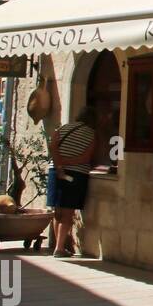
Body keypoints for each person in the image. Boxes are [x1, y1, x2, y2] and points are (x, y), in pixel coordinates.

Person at [47, 106, 98, 258]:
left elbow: (53, 147)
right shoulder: (92, 134)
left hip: (55, 171)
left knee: (58, 211)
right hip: (76, 174)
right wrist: (67, 163)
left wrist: (60, 165)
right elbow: (85, 157)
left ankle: (58, 246)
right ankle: (59, 247)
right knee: (68, 212)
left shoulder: (63, 128)